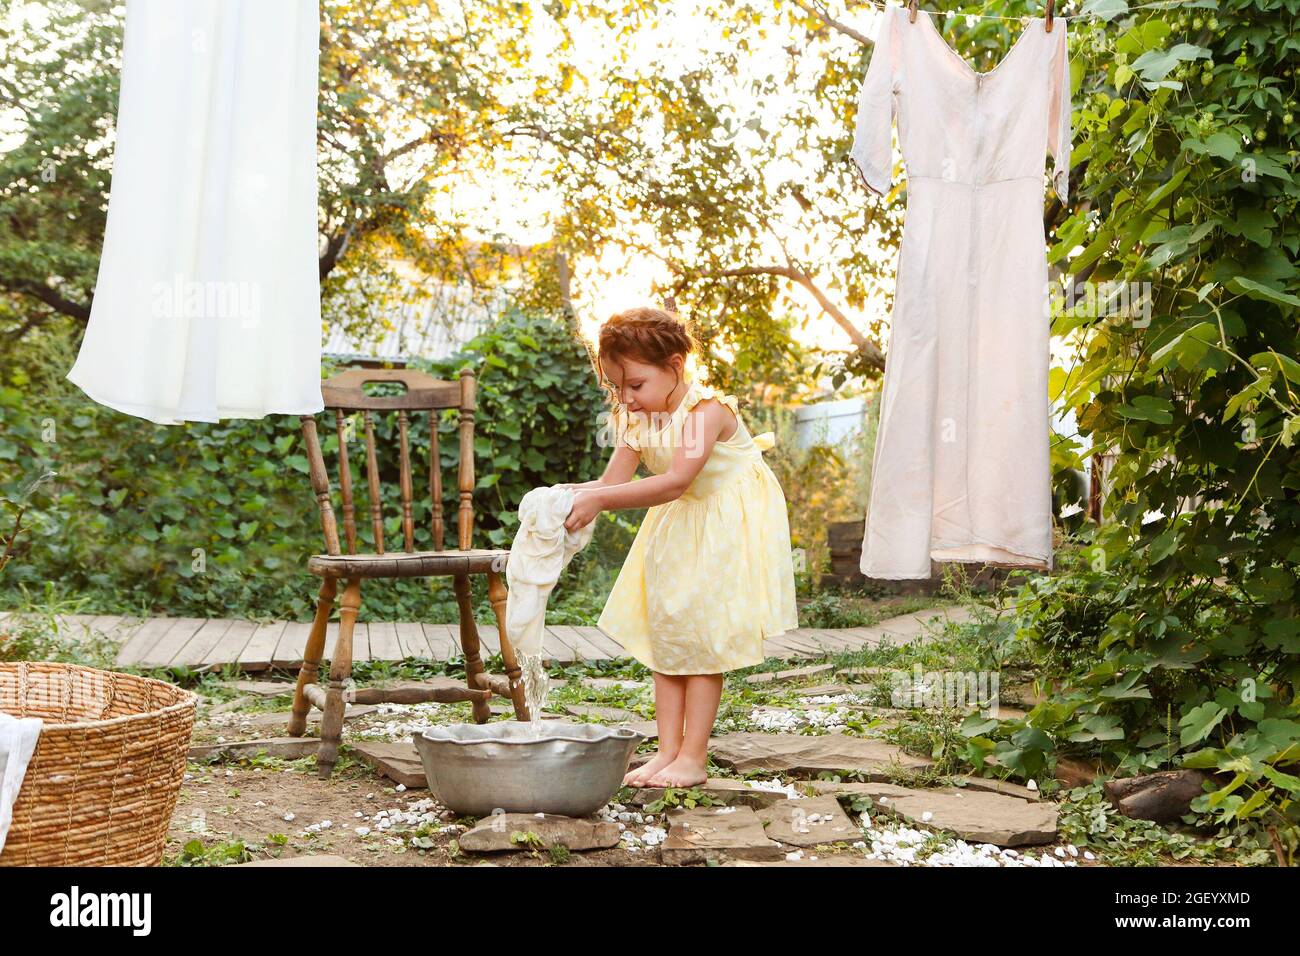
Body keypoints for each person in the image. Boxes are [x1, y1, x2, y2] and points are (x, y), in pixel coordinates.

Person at [563, 306, 798, 787]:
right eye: (616, 387)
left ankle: (693, 757)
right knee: (668, 631)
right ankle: (666, 751)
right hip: (678, 525)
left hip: (723, 523)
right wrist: (565, 496)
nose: (626, 399)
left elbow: (675, 481)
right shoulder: (635, 418)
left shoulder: (707, 411)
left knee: (703, 636)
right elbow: (612, 482)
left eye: (635, 385)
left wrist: (599, 499)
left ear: (674, 366)